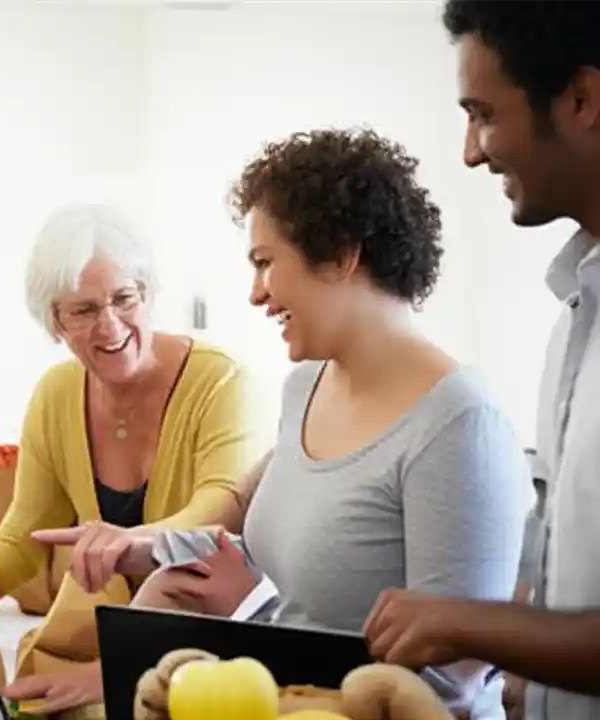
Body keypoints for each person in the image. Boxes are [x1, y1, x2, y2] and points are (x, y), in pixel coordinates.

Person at [31, 130, 531, 717]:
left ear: (342, 254)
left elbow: (444, 692)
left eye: (266, 264)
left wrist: (251, 612)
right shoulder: (308, 387)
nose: (255, 294)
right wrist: (139, 548)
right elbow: (269, 551)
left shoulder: (457, 426)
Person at [362, 4, 600, 719]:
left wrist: (463, 623)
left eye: (483, 114)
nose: (472, 150)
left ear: (582, 101)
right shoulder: (575, 316)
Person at [0, 202, 262, 713]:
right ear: (55, 321)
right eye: (84, 310)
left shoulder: (221, 382)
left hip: (209, 647)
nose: (111, 324)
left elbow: (222, 509)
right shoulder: (55, 394)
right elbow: (22, 537)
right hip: (106, 638)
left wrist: (130, 544)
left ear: (147, 294)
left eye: (124, 299)